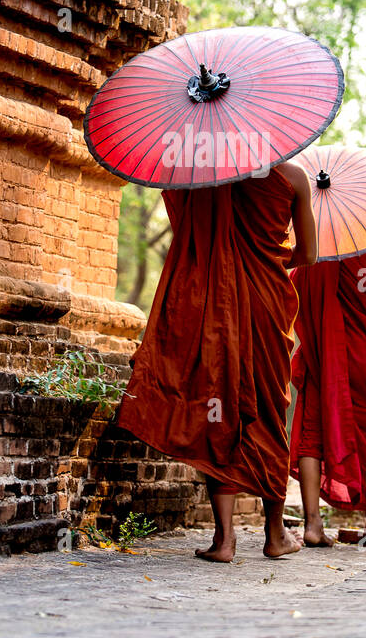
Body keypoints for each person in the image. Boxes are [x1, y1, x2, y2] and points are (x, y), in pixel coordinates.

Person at [116, 161, 318, 562]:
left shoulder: (209, 172)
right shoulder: (295, 178)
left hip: (217, 304)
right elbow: (308, 254)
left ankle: (224, 541)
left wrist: (234, 253)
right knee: (269, 412)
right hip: (269, 303)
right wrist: (269, 256)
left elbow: (193, 235)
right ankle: (275, 534)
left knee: (218, 404)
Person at [290, 249, 366, 546]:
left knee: (312, 436)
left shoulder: (310, 262)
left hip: (320, 360)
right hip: (362, 361)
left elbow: (295, 307)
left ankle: (313, 523)